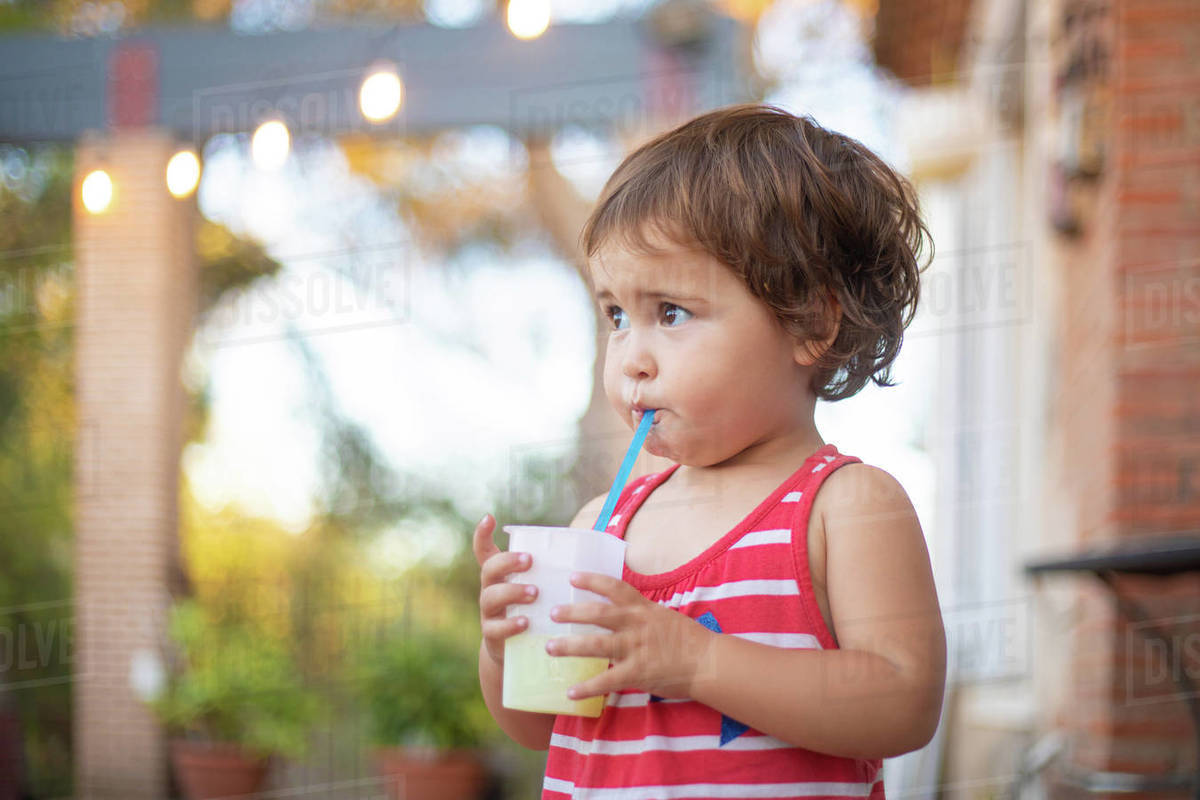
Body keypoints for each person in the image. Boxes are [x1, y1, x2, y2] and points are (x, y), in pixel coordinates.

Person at [473, 103, 947, 799]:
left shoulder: (846, 508)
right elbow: (542, 727)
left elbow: (903, 703)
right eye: (616, 315)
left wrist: (695, 660)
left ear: (810, 323)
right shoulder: (601, 527)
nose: (631, 358)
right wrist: (504, 649)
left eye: (670, 312)